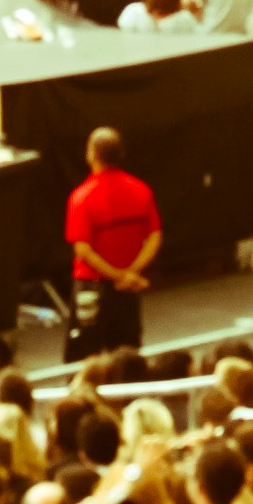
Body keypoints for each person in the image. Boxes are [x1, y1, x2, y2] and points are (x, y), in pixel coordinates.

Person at [59, 128, 158, 365]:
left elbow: (82, 250)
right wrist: (130, 274)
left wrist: (116, 276)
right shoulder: (141, 190)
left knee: (84, 359)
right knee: (127, 357)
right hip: (128, 290)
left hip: (91, 290)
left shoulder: (81, 198)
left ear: (91, 155)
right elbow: (154, 237)